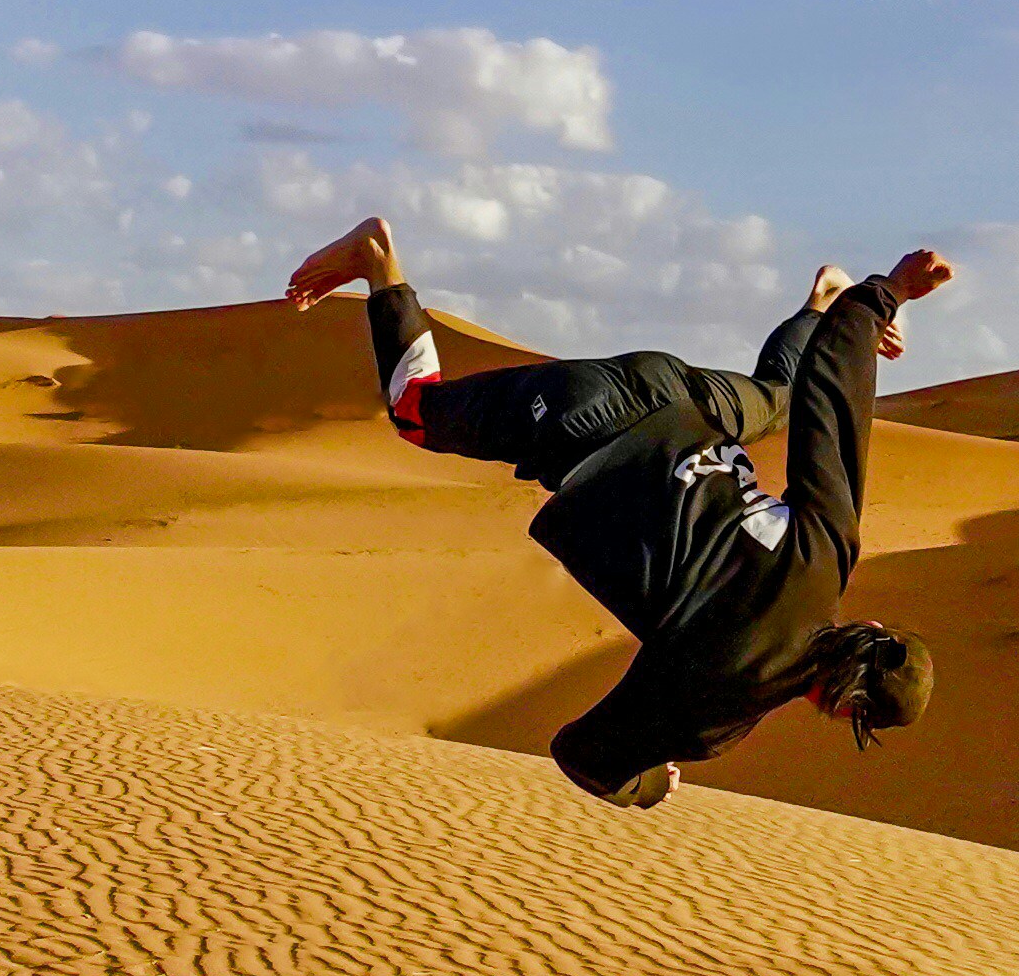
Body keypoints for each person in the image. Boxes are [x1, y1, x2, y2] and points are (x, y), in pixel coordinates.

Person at [283, 212, 952, 806]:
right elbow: (582, 754)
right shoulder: (717, 710)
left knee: (779, 396)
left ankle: (818, 304)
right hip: (583, 422)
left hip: (677, 395)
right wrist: (647, 781)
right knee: (417, 415)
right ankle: (379, 261)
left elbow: (830, 396)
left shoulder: (828, 556)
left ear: (868, 623)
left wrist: (878, 300)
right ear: (843, 716)